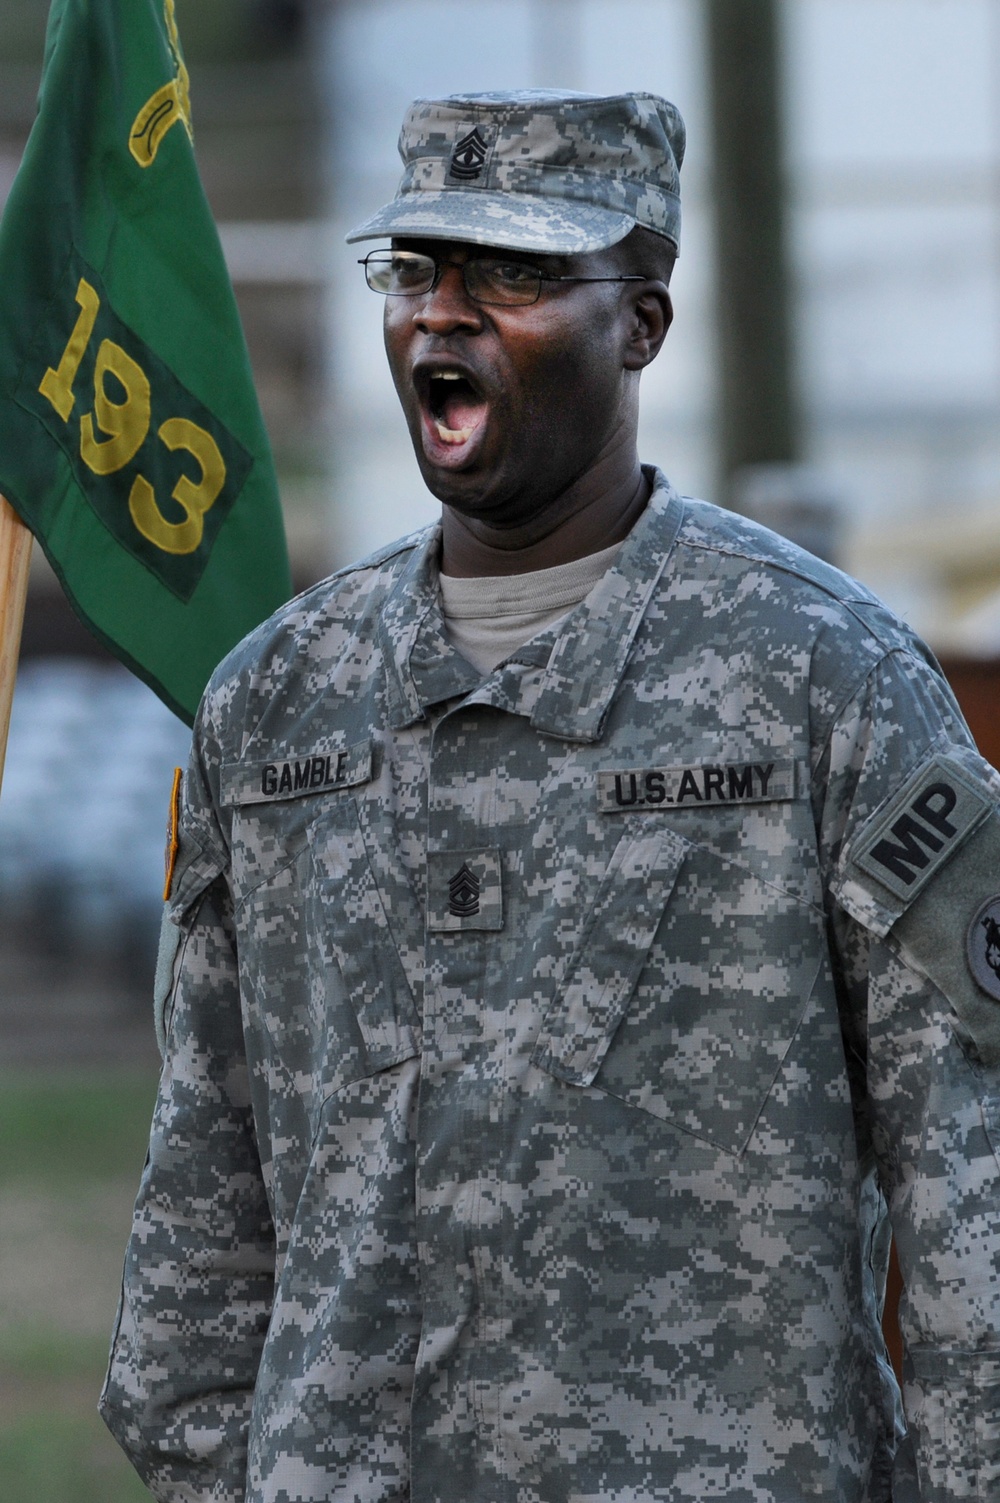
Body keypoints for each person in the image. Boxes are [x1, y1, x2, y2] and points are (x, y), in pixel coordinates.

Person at [101, 90, 1000, 1503]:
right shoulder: (276, 699)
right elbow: (204, 1196)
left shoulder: (826, 678)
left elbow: (971, 1187)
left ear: (640, 320)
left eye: (515, 276)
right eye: (414, 272)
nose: (442, 317)